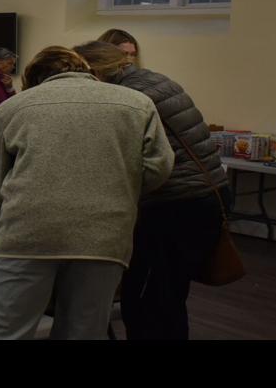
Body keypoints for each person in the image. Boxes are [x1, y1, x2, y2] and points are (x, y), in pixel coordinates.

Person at [0, 47, 174, 340]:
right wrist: (117, 189)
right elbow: (160, 167)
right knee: (83, 333)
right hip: (104, 237)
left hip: (24, 236)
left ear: (35, 80)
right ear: (88, 70)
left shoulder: (14, 107)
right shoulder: (137, 104)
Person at [75, 40, 229, 341]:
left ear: (93, 71)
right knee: (168, 297)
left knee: (145, 302)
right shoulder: (154, 81)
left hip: (174, 204)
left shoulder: (128, 96)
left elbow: (128, 158)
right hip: (205, 195)